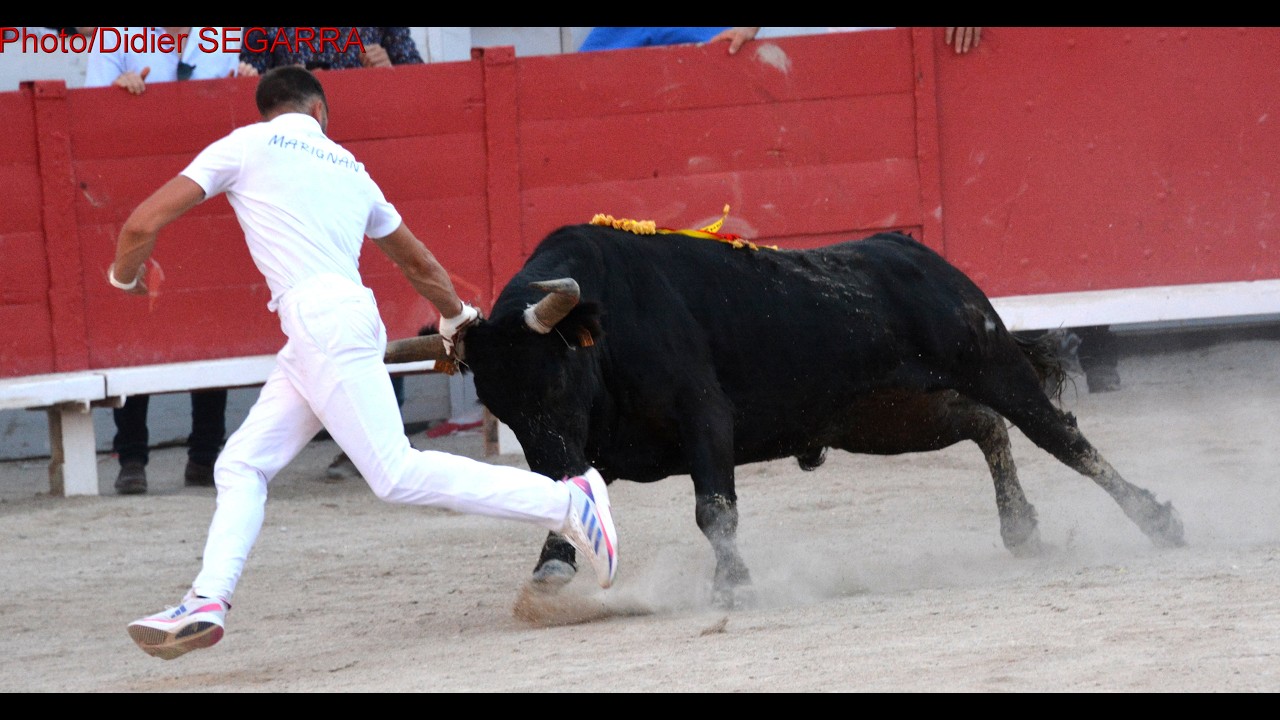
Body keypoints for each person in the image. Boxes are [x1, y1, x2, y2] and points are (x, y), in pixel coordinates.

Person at [109, 66, 617, 660]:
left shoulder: (245, 144)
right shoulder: (350, 166)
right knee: (242, 464)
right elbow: (420, 264)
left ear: (268, 110)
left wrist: (126, 276)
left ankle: (569, 502)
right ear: (320, 113)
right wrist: (455, 319)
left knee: (396, 473)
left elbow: (142, 222)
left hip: (320, 322)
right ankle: (206, 600)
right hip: (328, 326)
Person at [85, 27, 255, 494]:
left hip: (209, 198)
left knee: (207, 313)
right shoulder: (116, 38)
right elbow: (89, 113)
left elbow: (240, 116)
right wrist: (116, 95)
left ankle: (204, 454)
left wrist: (244, 80)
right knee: (137, 319)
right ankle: (132, 457)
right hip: (136, 186)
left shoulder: (223, 37)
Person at [85, 26, 257, 94]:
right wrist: (117, 92)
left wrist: (245, 87)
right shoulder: (112, 34)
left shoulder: (220, 33)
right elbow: (94, 109)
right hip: (142, 151)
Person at [239, 27, 422, 73]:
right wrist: (285, 79)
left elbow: (418, 78)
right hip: (294, 128)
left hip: (368, 116)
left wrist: (388, 69)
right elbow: (253, 78)